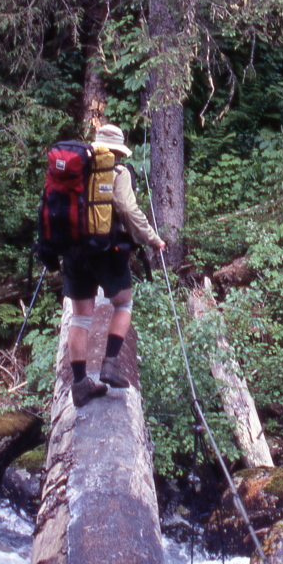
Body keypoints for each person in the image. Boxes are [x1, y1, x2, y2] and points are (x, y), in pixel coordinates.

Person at [63, 124, 166, 407]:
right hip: (108, 250)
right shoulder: (118, 172)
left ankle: (81, 383)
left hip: (73, 249)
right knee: (123, 304)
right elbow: (127, 208)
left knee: (80, 318)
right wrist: (153, 239)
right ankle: (110, 363)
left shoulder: (74, 168)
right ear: (118, 151)